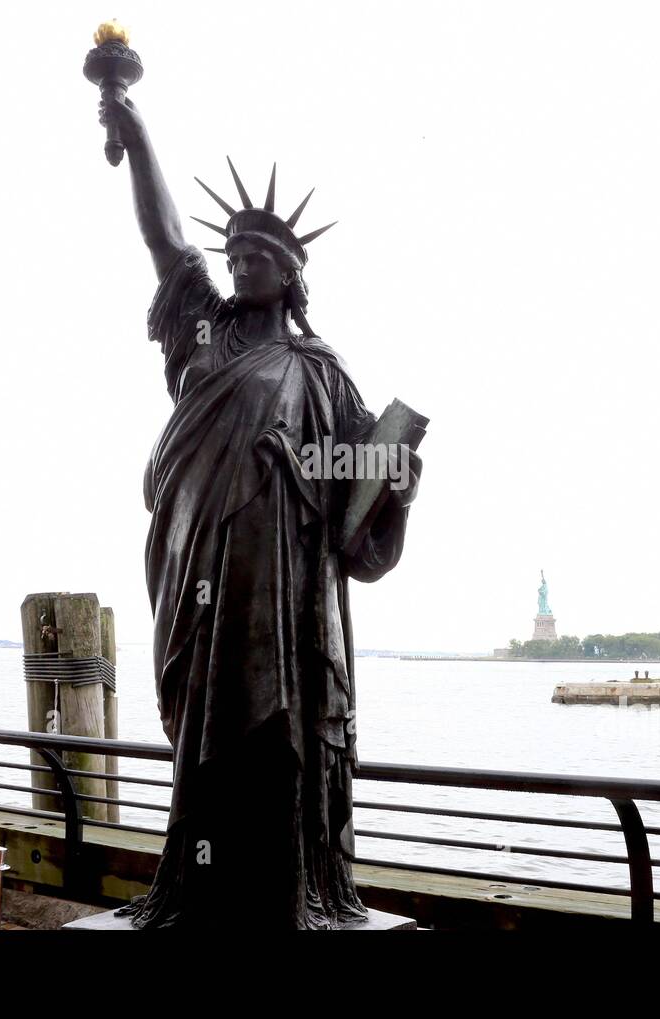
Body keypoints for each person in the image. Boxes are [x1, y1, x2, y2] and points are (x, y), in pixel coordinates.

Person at [99, 95, 422, 928]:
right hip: (197, 562)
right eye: (233, 255)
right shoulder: (203, 334)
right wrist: (135, 137)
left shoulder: (322, 374)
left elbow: (359, 515)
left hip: (285, 586)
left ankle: (283, 896)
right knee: (205, 725)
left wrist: (399, 483)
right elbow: (165, 240)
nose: (238, 267)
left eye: (255, 258)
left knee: (277, 735)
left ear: (290, 272)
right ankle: (203, 888)